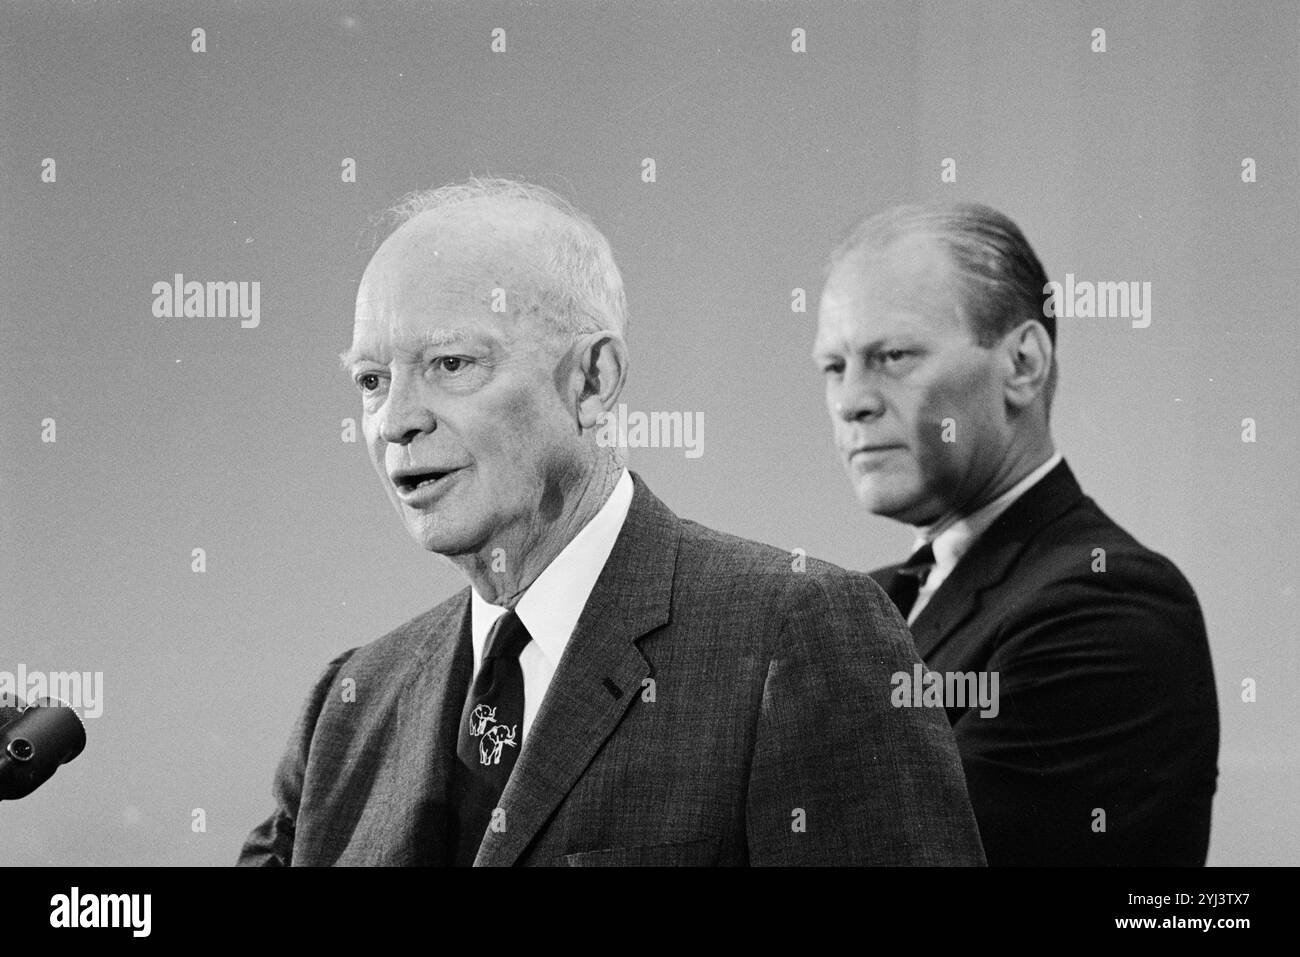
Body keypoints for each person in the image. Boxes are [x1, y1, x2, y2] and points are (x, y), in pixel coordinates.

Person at [237, 179, 985, 866]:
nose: (395, 420)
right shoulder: (354, 699)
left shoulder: (795, 635)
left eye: (451, 364)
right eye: (372, 380)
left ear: (593, 382)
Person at [812, 202, 1219, 865]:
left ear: (1023, 363)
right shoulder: (864, 606)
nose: (851, 399)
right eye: (834, 366)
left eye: (893, 355)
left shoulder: (1107, 604)